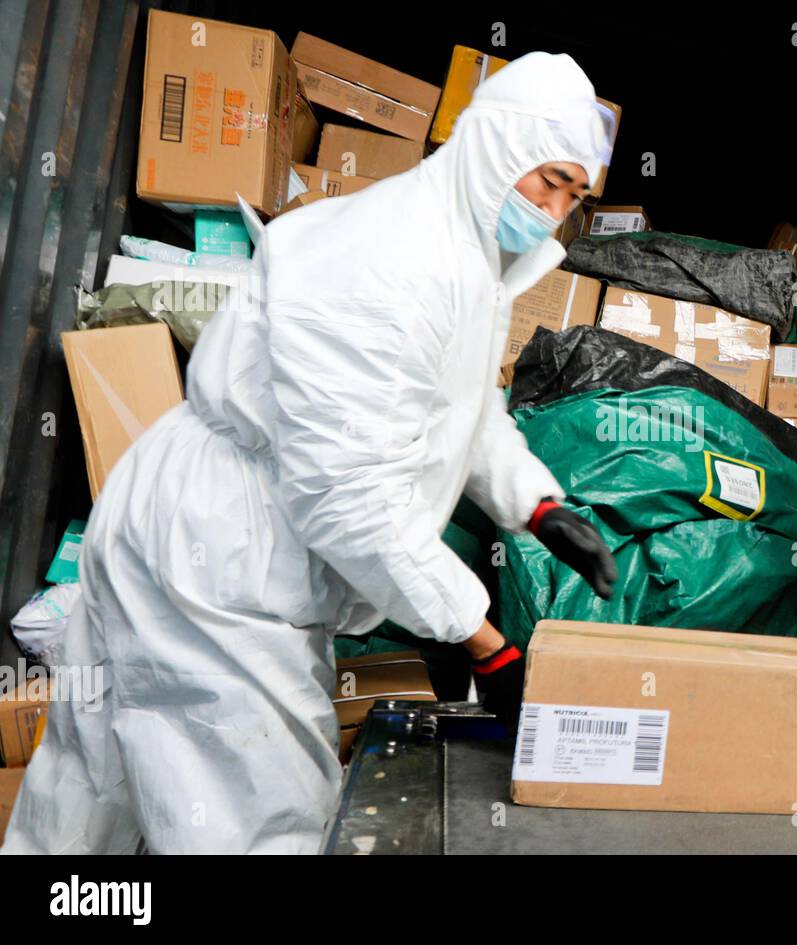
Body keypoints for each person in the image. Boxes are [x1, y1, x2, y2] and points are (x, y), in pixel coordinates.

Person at [2, 52, 618, 855]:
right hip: (220, 557)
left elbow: (462, 408)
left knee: (92, 790)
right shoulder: (393, 264)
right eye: (549, 180)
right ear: (499, 147)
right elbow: (350, 500)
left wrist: (535, 504)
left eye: (573, 195)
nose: (554, 210)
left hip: (200, 528)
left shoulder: (460, 252)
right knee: (260, 821)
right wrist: (484, 642)